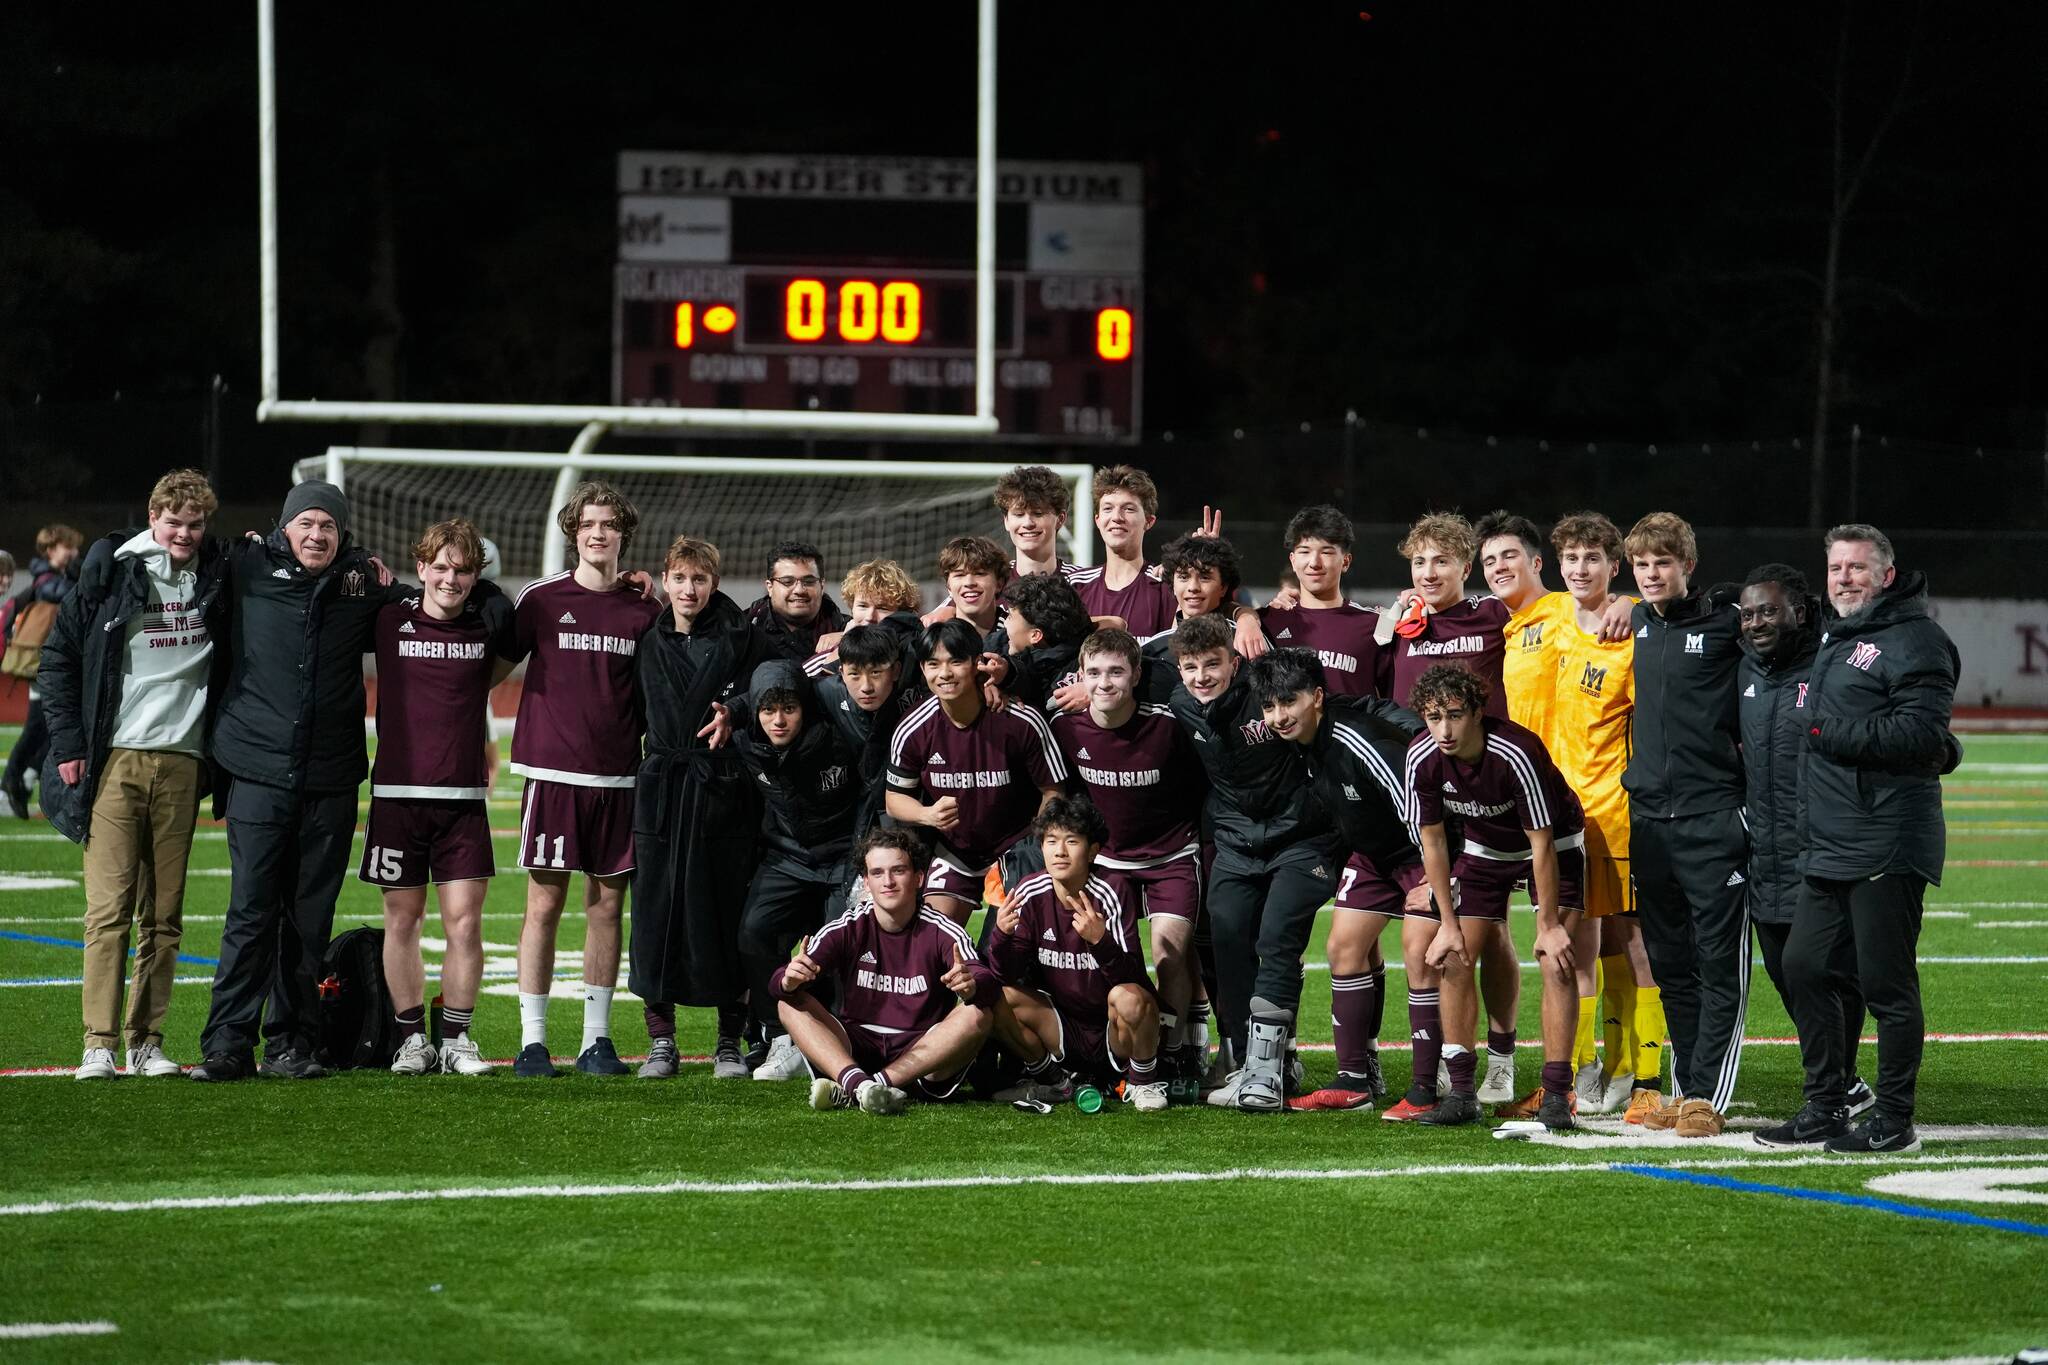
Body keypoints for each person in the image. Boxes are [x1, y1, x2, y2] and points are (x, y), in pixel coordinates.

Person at [190, 482, 410, 1081]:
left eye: (329, 527)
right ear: (284, 526)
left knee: (310, 919)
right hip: (257, 767)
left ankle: (292, 1043)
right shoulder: (244, 564)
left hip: (331, 776)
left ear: (344, 536)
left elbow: (440, 605)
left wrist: (493, 604)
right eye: (306, 523)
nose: (317, 535)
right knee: (251, 912)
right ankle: (227, 1043)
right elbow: (176, 546)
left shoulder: (363, 584)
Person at [1778, 525, 1959, 1155]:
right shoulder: (1837, 633)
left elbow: (1920, 736)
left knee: (1887, 985)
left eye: (1857, 568)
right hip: (1832, 839)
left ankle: (1896, 1119)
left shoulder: (1917, 639)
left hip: (1886, 838)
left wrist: (1829, 733)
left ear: (1887, 574)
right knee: (1803, 966)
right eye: (1835, 569)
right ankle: (1827, 1104)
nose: (1844, 578)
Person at [40, 472, 224, 1080]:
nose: (185, 534)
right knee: (109, 910)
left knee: (164, 915)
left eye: (195, 524)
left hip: (183, 761)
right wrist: (68, 741)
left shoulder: (219, 572)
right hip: (115, 755)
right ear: (153, 516)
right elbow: (60, 654)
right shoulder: (112, 571)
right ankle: (99, 1042)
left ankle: (146, 1040)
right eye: (174, 521)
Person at [502, 481, 665, 1078]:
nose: (598, 533)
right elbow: (494, 666)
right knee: (543, 905)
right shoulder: (542, 599)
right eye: (589, 523)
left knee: (606, 908)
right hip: (552, 774)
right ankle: (533, 1042)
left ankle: (597, 1040)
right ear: (574, 531)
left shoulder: (645, 610)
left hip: (620, 777)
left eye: (609, 524)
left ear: (624, 533)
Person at [1157, 615, 1336, 1112]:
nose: (1201, 677)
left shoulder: (1267, 693)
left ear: (1235, 663)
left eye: (1213, 664)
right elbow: (1126, 658)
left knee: (1276, 936)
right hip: (1235, 841)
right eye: (1190, 667)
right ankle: (1244, 1056)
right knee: (1226, 937)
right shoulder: (1177, 702)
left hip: (1300, 837)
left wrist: (1248, 613)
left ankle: (1268, 1069)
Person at [1524, 511, 1665, 1120]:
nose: (1580, 570)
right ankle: (1583, 1069)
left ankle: (1644, 1072)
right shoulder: (1550, 614)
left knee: (1631, 940)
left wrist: (1631, 604)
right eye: (1571, 559)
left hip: (1613, 808)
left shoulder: (1630, 631)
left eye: (1593, 559)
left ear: (1614, 566)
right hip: (1556, 811)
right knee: (1573, 942)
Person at [1404, 664, 1588, 1128]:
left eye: (1454, 715)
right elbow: (1434, 840)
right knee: (1453, 954)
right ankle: (1462, 1092)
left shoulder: (1515, 752)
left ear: (1478, 712)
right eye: (1432, 717)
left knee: (1557, 960)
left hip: (1555, 845)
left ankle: (1556, 1093)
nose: (1442, 730)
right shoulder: (1421, 756)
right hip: (1485, 849)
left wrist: (1548, 926)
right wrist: (1447, 923)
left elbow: (1542, 842)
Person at [359, 518, 511, 1077]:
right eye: (440, 566)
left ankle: (457, 1040)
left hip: (463, 799)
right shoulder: (387, 619)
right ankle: (409, 1040)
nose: (450, 578)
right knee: (403, 922)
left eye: (463, 569)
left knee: (465, 925)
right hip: (397, 797)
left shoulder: (487, 625)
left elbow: (516, 634)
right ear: (420, 567)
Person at [1383, 511, 1521, 1104]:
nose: (1429, 571)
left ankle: (1502, 1056)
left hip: (1489, 802)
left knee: (1487, 936)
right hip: (1424, 799)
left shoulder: (1494, 614)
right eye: (1419, 561)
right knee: (1430, 942)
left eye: (1442, 560)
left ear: (1467, 566)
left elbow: (1559, 611)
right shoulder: (1403, 627)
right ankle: (1444, 1055)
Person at [1248, 649, 1423, 1110]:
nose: (1280, 716)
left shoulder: (1356, 737)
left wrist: (1433, 879)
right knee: (1343, 947)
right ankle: (1353, 1082)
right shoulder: (1306, 743)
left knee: (1424, 954)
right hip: (1373, 856)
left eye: (1289, 702)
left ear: (1318, 697)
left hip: (1423, 852)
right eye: (1270, 707)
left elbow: (1418, 803)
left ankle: (1431, 1082)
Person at [1737, 563, 1875, 1143]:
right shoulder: (1743, 665)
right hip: (1764, 856)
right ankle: (1843, 1086)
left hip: (1820, 853)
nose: (1756, 623)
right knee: (1790, 977)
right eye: (1746, 614)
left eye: (1769, 610)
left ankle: (1827, 1097)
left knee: (1822, 974)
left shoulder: (1829, 664)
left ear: (1800, 608)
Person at [1622, 510, 1749, 1137]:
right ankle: (1686, 1086)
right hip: (1650, 821)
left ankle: (1708, 1096)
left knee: (1719, 962)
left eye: (1662, 563)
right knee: (1671, 964)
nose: (1650, 574)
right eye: (1641, 564)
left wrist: (1736, 598)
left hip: (1713, 818)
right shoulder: (1640, 621)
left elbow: (1792, 626)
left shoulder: (1728, 622)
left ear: (1687, 567)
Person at [628, 535, 768, 1080]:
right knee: (654, 916)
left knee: (724, 914)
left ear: (715, 582)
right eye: (680, 578)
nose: (689, 589)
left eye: (700, 579)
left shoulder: (743, 636)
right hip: (662, 789)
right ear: (666, 580)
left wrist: (733, 708)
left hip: (723, 791)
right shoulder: (647, 636)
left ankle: (729, 1041)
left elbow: (772, 690)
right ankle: (661, 1041)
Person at [1051, 629, 1206, 1082]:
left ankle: (1174, 1051)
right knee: (1113, 955)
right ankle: (1121, 1051)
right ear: (1080, 677)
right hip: (1107, 861)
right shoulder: (1064, 727)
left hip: (1171, 855)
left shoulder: (1169, 726)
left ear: (1137, 675)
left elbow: (1203, 786)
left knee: (1171, 952)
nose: (1104, 683)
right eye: (1094, 673)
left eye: (1116, 672)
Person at [770, 827, 998, 1114]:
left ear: (918, 878)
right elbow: (777, 984)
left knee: (979, 1013)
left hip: (921, 1056)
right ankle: (863, 1085)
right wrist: (788, 979)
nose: (887, 881)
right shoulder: (848, 927)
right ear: (866, 882)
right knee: (788, 1003)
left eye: (898, 871)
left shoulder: (941, 929)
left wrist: (972, 983)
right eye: (877, 873)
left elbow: (986, 981)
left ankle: (862, 1087)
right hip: (856, 1048)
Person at [729, 657, 867, 1084]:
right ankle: (779, 1033)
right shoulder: (743, 739)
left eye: (788, 708)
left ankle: (841, 1036)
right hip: (787, 855)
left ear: (805, 708)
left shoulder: (838, 735)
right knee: (753, 930)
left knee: (841, 945)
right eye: (768, 710)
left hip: (843, 854)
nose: (778, 719)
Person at [987, 797, 1168, 1111]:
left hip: (1114, 1029)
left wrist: (1100, 941)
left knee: (1129, 998)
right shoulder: (1030, 891)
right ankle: (1055, 1082)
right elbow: (1007, 975)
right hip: (1063, 1026)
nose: (1059, 851)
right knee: (997, 997)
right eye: (1051, 841)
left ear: (1093, 850)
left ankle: (1143, 1083)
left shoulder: (1112, 890)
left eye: (1072, 841)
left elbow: (1134, 981)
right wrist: (1001, 937)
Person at [885, 619, 1068, 923]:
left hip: (1017, 846)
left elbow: (1054, 791)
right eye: (933, 664)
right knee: (934, 935)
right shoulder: (913, 728)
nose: (944, 674)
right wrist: (926, 814)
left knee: (1003, 942)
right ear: (922, 669)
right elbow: (894, 798)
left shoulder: (1020, 720)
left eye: (956, 662)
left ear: (976, 664)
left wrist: (1036, 847)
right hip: (955, 852)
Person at [2, 522, 84, 819]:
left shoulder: (55, 575)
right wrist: (79, 578)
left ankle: (22, 778)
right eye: (68, 546)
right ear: (51, 549)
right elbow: (63, 595)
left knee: (47, 727)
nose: (74, 552)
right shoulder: (45, 578)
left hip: (50, 663)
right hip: (43, 664)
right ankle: (15, 778)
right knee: (41, 726)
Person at [1067, 465, 1176, 638]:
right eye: (1108, 508)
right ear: (1098, 520)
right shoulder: (1074, 586)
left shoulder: (1165, 587)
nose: (1116, 517)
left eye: (1129, 509)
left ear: (1149, 521)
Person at [747, 539, 847, 660]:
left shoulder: (849, 631)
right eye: (788, 582)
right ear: (770, 587)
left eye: (809, 582)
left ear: (822, 586)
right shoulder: (743, 631)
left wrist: (850, 641)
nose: (799, 590)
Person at [934, 535, 1010, 640]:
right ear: (949, 587)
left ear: (999, 584)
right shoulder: (934, 639)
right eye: (960, 575)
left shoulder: (1020, 635)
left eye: (979, 573)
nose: (969, 583)